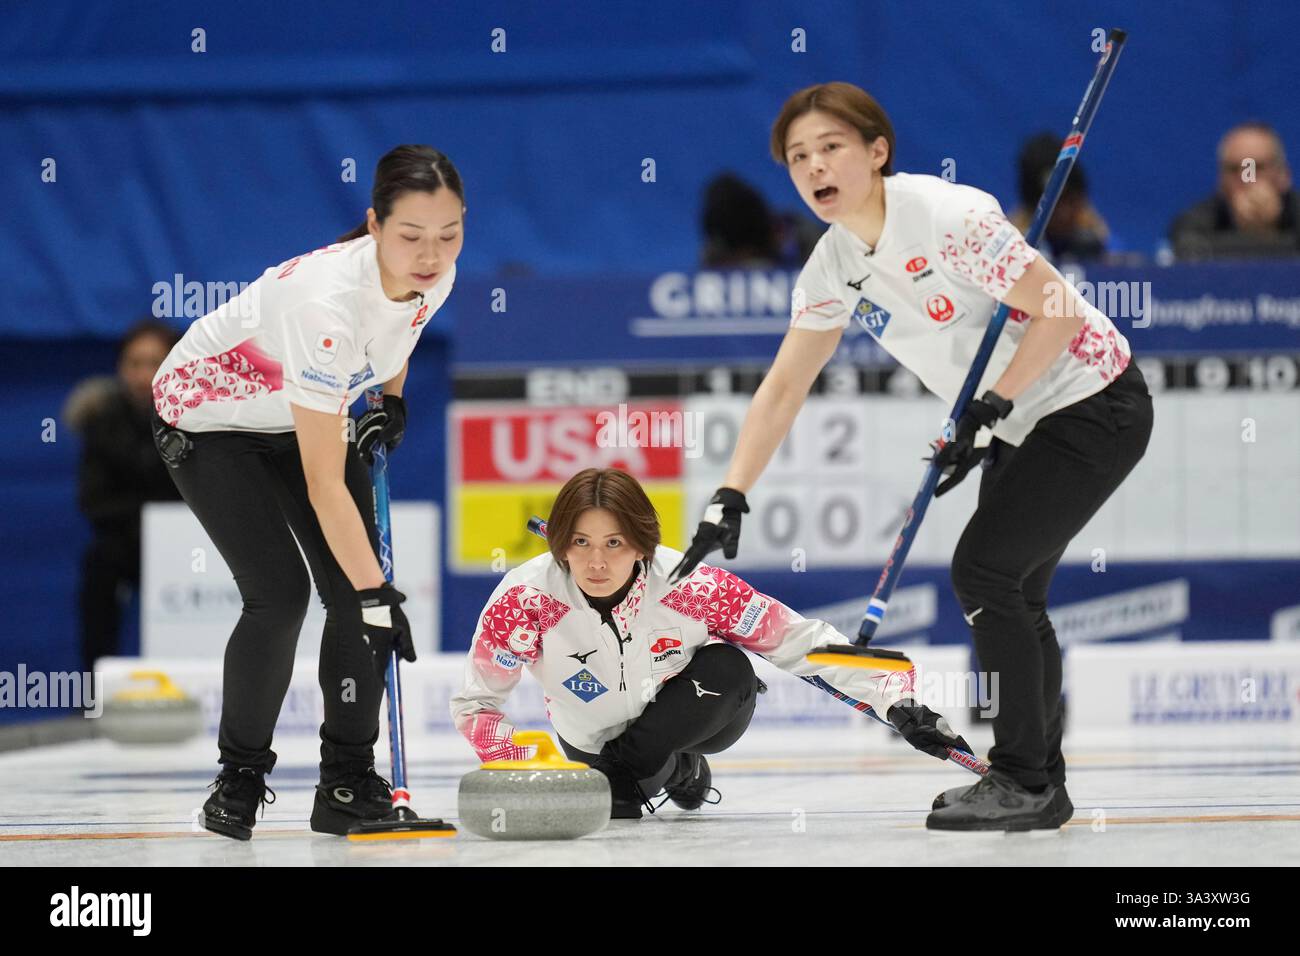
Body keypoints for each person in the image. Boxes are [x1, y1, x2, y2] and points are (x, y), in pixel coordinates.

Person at [670, 82, 1154, 831]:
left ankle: (1023, 779)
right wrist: (730, 493)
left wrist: (989, 407)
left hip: (1092, 400)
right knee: (1015, 591)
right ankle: (1033, 778)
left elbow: (1055, 307)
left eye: (831, 147)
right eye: (798, 157)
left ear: (877, 151)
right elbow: (785, 385)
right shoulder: (833, 264)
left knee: (985, 573)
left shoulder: (948, 217)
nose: (814, 166)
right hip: (1021, 420)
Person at [149, 145, 464, 840]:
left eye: (448, 234)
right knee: (283, 594)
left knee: (354, 598)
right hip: (211, 421)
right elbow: (326, 485)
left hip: (300, 415)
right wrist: (380, 594)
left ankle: (347, 782)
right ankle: (240, 776)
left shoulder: (432, 273)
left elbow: (398, 330)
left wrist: (392, 397)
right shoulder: (323, 305)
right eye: (411, 235)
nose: (431, 253)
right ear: (374, 225)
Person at [450, 467, 971, 819]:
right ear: (561, 542)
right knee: (620, 797)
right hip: (589, 739)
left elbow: (799, 640)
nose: (597, 563)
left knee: (728, 666)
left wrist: (897, 698)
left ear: (643, 542)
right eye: (580, 543)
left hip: (701, 710)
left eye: (615, 543)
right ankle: (673, 774)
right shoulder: (526, 599)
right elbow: (477, 703)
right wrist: (517, 756)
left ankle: (648, 771)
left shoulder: (691, 587)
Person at [64, 319, 181, 670]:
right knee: (100, 568)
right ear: (120, 368)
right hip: (125, 544)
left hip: (186, 545)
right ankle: (94, 691)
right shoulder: (101, 421)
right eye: (135, 363)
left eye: (155, 363)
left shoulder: (196, 420)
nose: (144, 375)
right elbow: (93, 501)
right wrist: (146, 520)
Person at [1169, 121, 1300, 260]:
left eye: (1258, 167)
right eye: (1234, 169)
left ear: (1284, 175)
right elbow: (1188, 249)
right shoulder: (1194, 221)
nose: (1247, 180)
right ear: (1221, 179)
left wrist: (1267, 232)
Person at [1009, 132, 1109, 263]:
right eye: (1052, 205)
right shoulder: (1012, 249)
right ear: (1030, 207)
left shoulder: (1101, 242)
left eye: (1071, 201)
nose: (1064, 214)